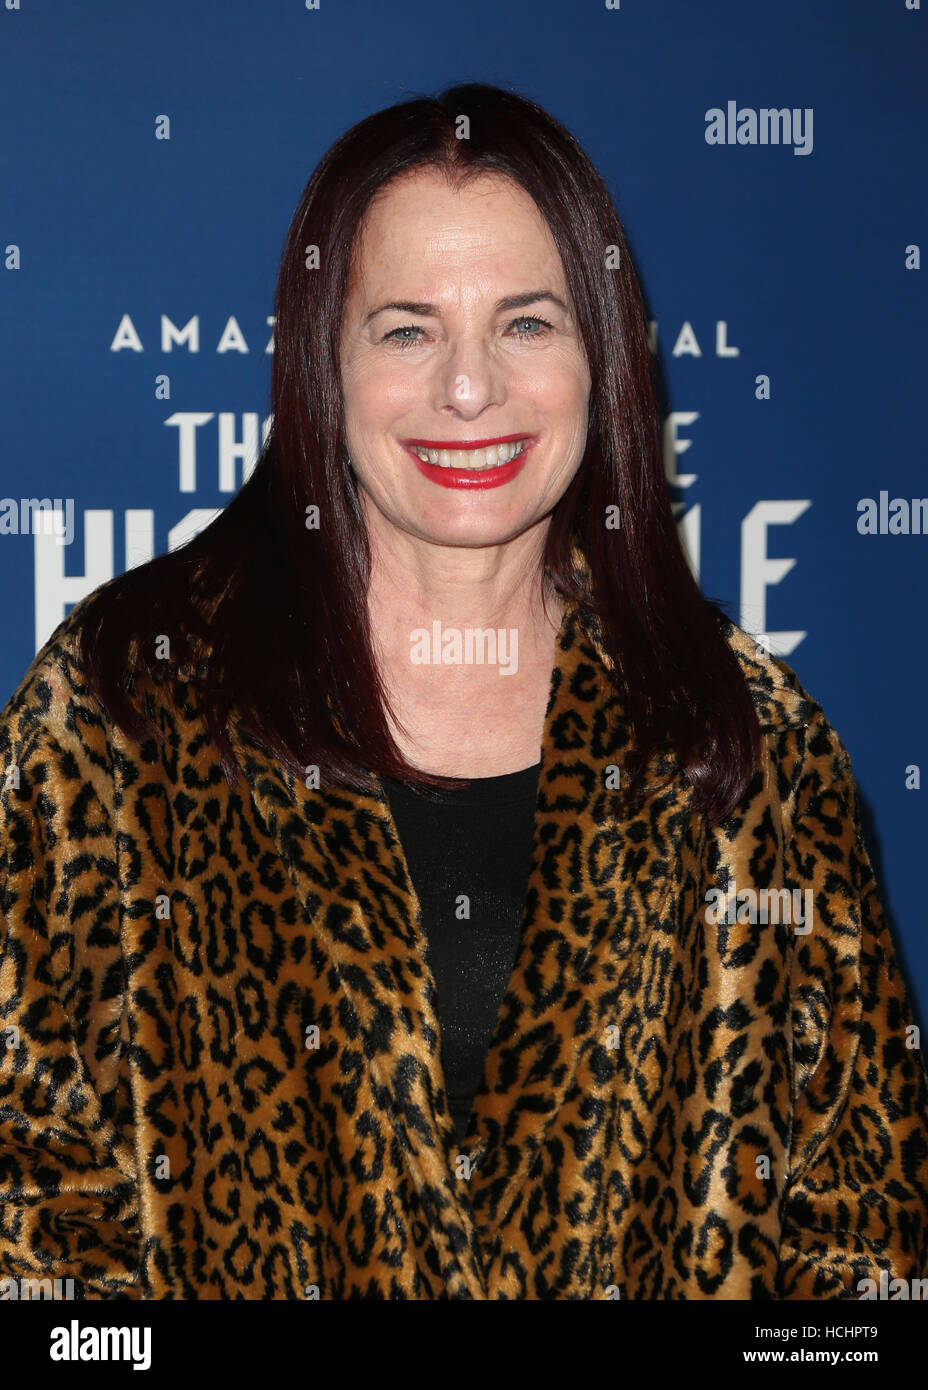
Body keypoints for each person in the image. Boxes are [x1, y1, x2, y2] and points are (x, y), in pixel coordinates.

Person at [1, 82, 926, 1302]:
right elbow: (30, 1205)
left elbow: (859, 1237)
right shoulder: (125, 701)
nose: (471, 389)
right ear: (321, 363)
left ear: (604, 353)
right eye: (406, 329)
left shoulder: (744, 740)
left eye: (527, 323)